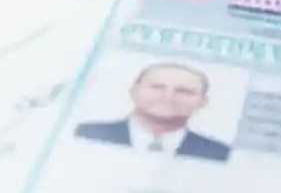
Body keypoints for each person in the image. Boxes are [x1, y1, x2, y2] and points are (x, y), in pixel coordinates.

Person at [75, 62, 230, 162]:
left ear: (203, 101)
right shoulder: (85, 134)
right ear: (134, 91)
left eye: (184, 91)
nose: (168, 97)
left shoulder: (221, 155)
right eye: (157, 87)